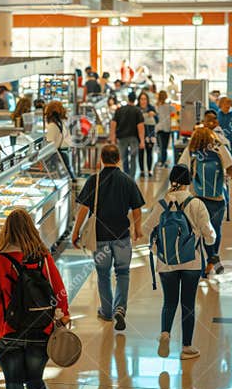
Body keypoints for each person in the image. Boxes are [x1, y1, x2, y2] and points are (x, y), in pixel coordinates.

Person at [0, 209, 70, 389]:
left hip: (9, 331)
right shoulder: (44, 258)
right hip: (40, 332)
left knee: (14, 381)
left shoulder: (0, 260)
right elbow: (60, 292)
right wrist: (64, 315)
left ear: (6, 231)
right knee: (35, 380)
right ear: (31, 230)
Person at [143, 165, 215, 360]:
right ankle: (187, 347)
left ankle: (165, 333)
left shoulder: (162, 203)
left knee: (169, 302)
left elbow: (146, 228)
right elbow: (210, 235)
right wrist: (207, 241)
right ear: (189, 181)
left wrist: (161, 248)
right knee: (188, 304)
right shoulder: (196, 203)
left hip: (166, 263)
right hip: (192, 261)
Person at [71, 144, 145, 331]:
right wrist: (137, 228)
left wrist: (76, 232)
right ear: (118, 159)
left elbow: (84, 209)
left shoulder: (94, 180)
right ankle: (120, 308)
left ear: (101, 160)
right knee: (123, 273)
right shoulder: (128, 181)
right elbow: (137, 208)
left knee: (103, 274)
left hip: (100, 237)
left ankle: (106, 310)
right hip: (121, 236)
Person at [178, 125, 232, 275]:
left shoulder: (190, 151)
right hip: (218, 197)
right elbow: (231, 169)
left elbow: (181, 171)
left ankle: (210, 259)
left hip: (198, 198)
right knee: (216, 229)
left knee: (204, 230)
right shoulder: (219, 147)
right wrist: (225, 177)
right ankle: (213, 257)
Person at [110, 92, 145, 179]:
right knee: (133, 158)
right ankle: (131, 178)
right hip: (134, 138)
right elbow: (140, 127)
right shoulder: (137, 111)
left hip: (122, 138)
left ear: (128, 99)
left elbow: (113, 124)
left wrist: (112, 138)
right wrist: (142, 141)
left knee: (124, 158)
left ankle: (125, 176)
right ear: (135, 99)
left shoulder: (119, 110)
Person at [44, 100, 75, 178]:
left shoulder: (52, 125)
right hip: (65, 152)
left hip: (58, 154)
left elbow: (49, 144)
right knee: (68, 173)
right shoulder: (61, 123)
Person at [137, 91, 158, 177]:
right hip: (139, 134)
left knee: (149, 152)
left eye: (145, 99)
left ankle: (149, 170)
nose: (143, 101)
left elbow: (157, 120)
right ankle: (142, 170)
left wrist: (154, 115)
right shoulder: (136, 109)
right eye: (141, 99)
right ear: (139, 100)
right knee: (140, 153)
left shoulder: (151, 108)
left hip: (150, 134)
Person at [155, 91, 173, 168]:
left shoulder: (156, 106)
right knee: (164, 146)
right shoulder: (169, 106)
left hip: (159, 128)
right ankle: (163, 161)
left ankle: (160, 161)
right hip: (167, 128)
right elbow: (175, 112)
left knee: (160, 146)